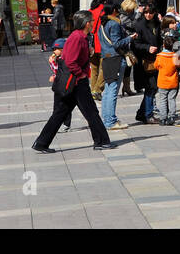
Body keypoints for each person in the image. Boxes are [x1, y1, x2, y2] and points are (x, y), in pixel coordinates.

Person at [31, 11, 117, 153]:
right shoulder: (77, 37)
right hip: (76, 82)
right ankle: (101, 141)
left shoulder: (81, 37)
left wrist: (88, 53)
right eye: (92, 21)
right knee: (91, 112)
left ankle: (41, 142)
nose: (93, 23)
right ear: (87, 23)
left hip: (74, 82)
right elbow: (70, 61)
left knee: (60, 113)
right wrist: (81, 75)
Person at [98, 2, 129, 130]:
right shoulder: (114, 24)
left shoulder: (103, 23)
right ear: (115, 10)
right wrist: (130, 38)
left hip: (106, 58)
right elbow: (117, 44)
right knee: (112, 91)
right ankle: (110, 121)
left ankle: (107, 119)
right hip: (115, 58)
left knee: (108, 90)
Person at [130, 3, 162, 123]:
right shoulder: (139, 25)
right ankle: (148, 114)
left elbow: (159, 39)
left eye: (150, 12)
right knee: (150, 87)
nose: (148, 15)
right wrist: (147, 47)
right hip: (144, 61)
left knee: (153, 88)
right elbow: (135, 44)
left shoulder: (157, 24)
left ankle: (142, 113)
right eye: (146, 12)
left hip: (155, 59)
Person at [154, 33, 180, 125]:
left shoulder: (159, 56)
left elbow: (156, 66)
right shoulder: (175, 56)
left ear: (163, 45)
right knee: (172, 99)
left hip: (162, 82)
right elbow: (179, 65)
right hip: (173, 82)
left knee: (163, 100)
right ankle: (172, 116)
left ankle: (163, 118)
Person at [88, 0, 106, 100]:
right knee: (103, 68)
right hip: (101, 43)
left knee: (94, 68)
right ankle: (97, 90)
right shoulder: (103, 11)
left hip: (91, 44)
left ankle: (92, 90)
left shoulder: (89, 11)